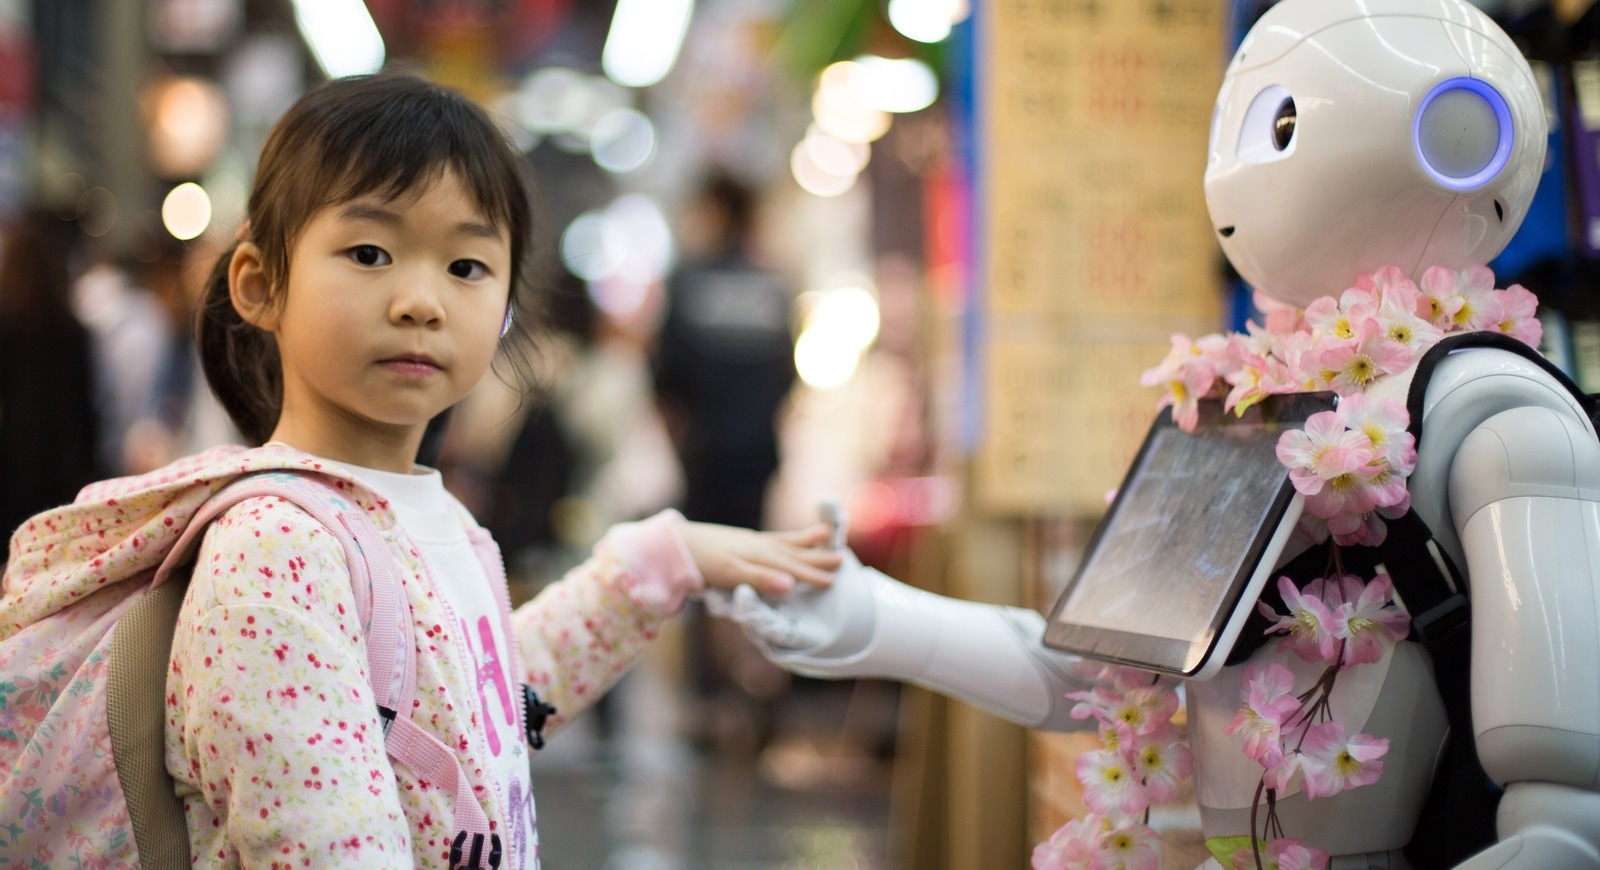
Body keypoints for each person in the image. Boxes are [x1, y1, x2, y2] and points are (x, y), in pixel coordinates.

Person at [167, 73, 839, 868]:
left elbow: (482, 713)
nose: (422, 301)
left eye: (467, 267)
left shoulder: (430, 516)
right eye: (370, 252)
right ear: (259, 283)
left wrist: (666, 563)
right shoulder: (277, 550)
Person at [0, 209, 100, 536]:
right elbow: (85, 410)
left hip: (11, 467)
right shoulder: (72, 330)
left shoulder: (6, 325)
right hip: (62, 468)